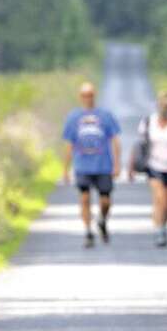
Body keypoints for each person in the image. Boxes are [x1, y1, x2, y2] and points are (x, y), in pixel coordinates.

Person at [61, 81, 123, 248]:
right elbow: (68, 144)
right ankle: (88, 231)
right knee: (84, 198)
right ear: (80, 97)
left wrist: (117, 164)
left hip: (103, 165)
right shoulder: (73, 117)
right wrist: (65, 169)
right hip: (82, 165)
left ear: (95, 96)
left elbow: (115, 140)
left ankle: (102, 220)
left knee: (105, 201)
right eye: (84, 95)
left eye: (90, 95)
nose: (87, 98)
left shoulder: (105, 115)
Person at [128, 89, 167, 247]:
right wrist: (131, 167)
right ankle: (159, 231)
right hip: (153, 165)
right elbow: (139, 145)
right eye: (163, 106)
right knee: (159, 198)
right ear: (158, 106)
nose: (165, 109)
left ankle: (162, 222)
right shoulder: (148, 122)